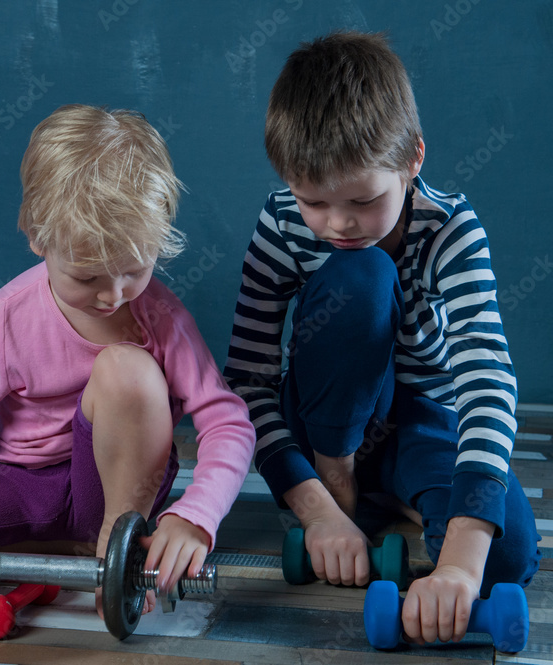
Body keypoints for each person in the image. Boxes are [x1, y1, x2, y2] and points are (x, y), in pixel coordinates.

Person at [0, 104, 255, 614]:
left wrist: (195, 516)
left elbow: (228, 422)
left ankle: (113, 551)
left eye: (134, 270)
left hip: (116, 490)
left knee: (127, 369)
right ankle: (52, 548)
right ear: (37, 238)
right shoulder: (8, 316)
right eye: (88, 276)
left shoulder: (160, 316)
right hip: (18, 481)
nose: (112, 295)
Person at [223, 31, 540, 646]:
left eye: (363, 200)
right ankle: (344, 481)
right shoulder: (281, 222)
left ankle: (387, 498)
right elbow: (248, 379)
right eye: (314, 201)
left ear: (413, 159)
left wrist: (460, 562)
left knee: (504, 557)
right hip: (321, 422)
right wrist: (315, 506)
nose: (338, 222)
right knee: (362, 274)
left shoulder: (451, 229)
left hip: (418, 418)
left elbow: (485, 377)